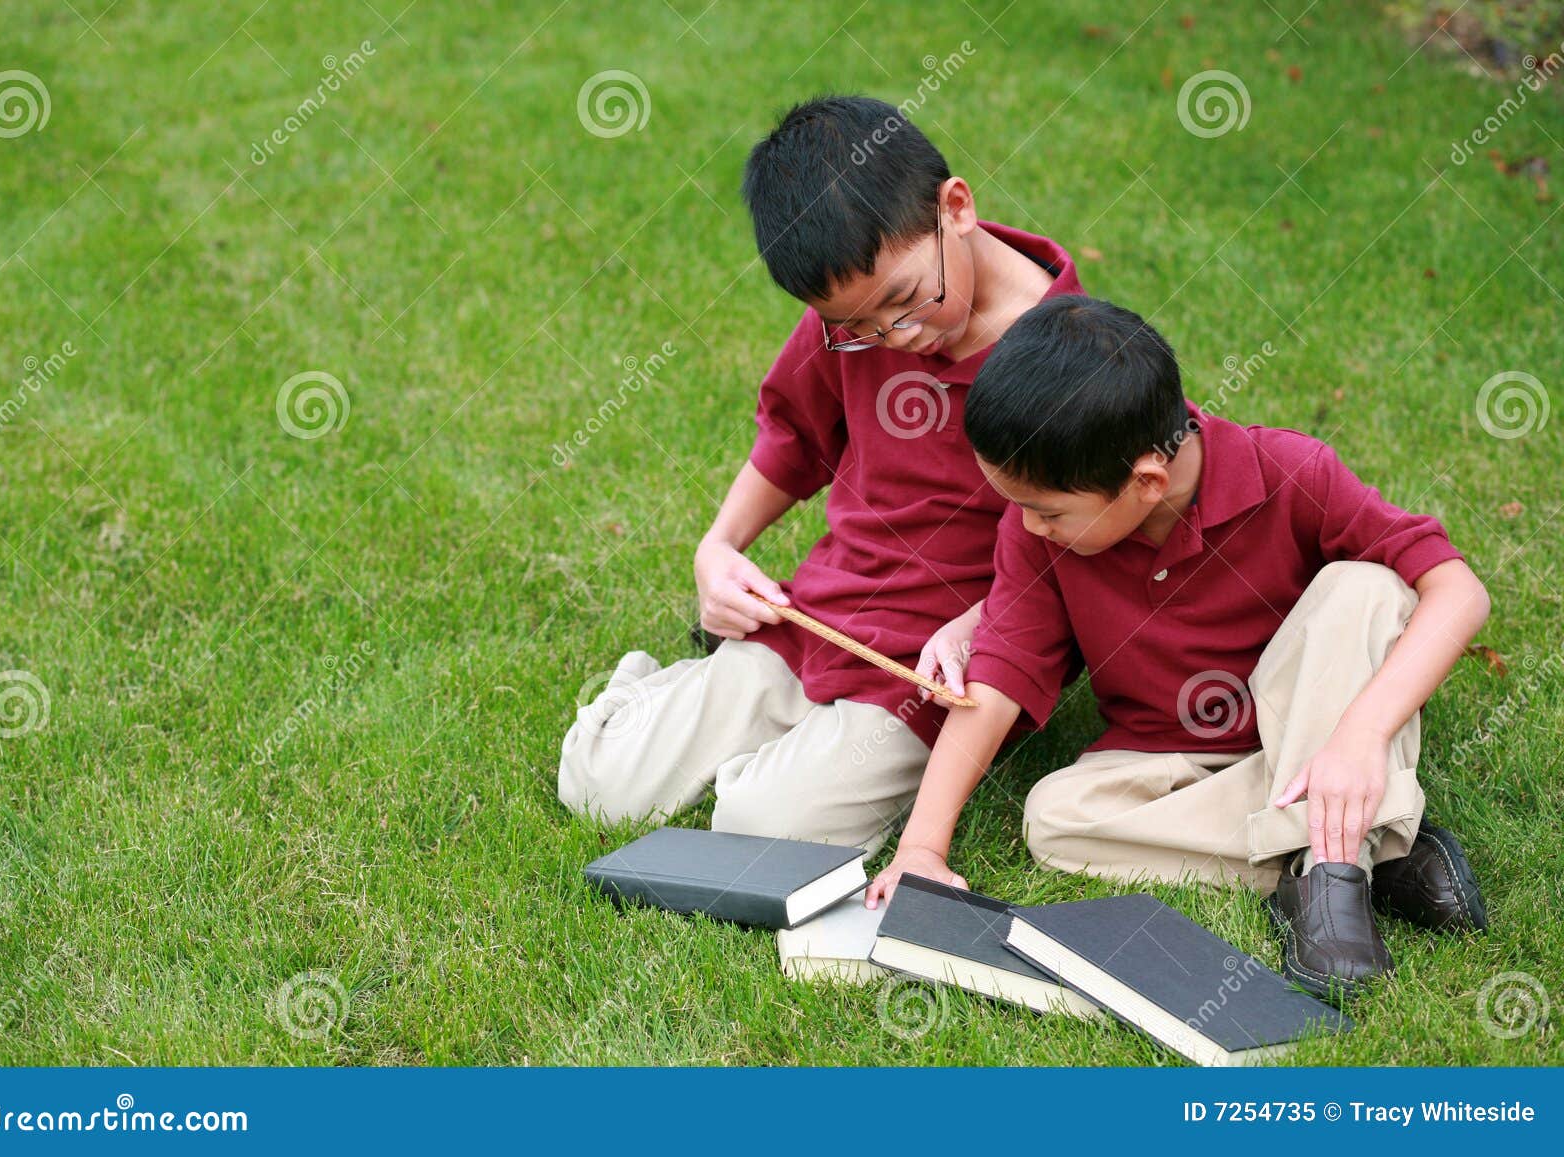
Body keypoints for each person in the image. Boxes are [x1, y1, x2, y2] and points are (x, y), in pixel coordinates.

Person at [866, 294, 1491, 998]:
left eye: (1046, 510)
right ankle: (1353, 853)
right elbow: (999, 678)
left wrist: (1360, 733)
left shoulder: (1292, 470)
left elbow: (1459, 592)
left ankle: (1334, 856)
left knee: (1365, 588)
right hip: (1172, 760)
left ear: (1146, 483)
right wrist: (923, 846)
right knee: (1054, 819)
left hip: (1313, 726)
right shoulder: (1036, 531)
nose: (1028, 525)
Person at [558, 94, 1084, 853]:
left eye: (907, 302)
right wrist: (718, 546)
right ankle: (666, 693)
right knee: (600, 789)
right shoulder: (854, 314)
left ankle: (756, 752)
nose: (895, 337)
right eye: (859, 329)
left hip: (934, 677)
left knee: (764, 829)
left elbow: (1095, 534)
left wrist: (984, 623)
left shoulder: (1077, 357)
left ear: (957, 208)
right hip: (816, 622)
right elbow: (794, 433)